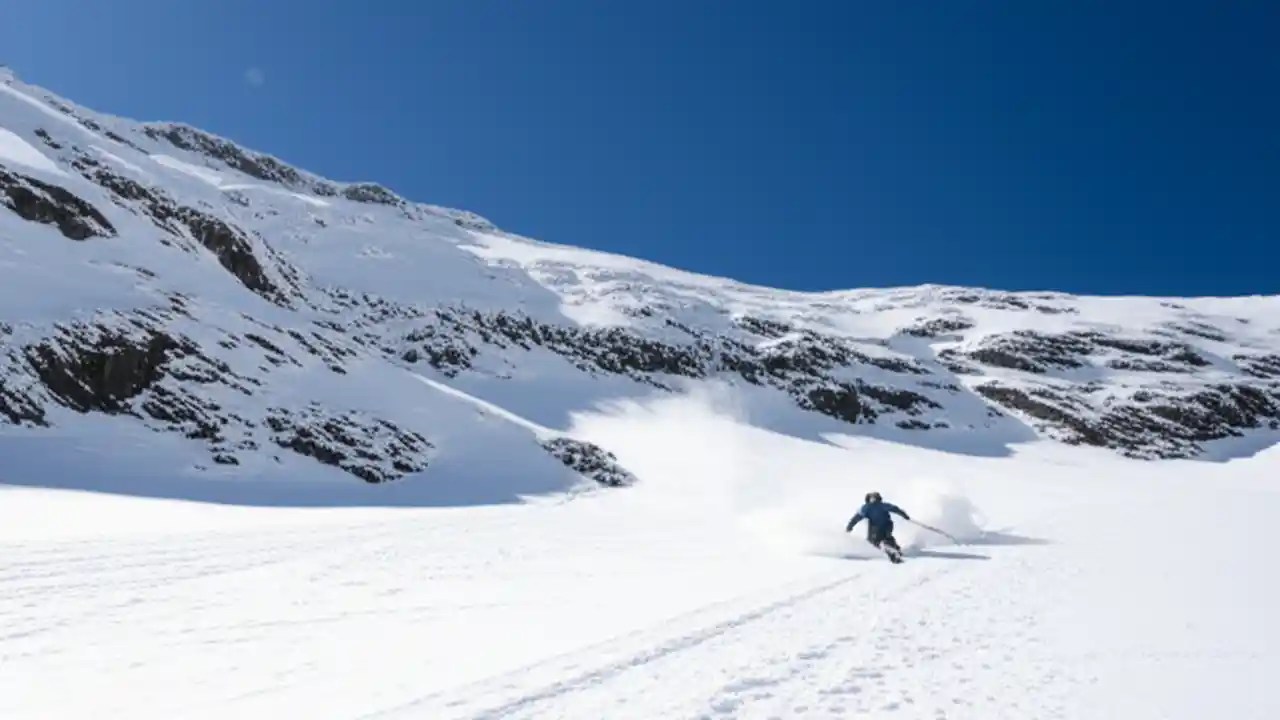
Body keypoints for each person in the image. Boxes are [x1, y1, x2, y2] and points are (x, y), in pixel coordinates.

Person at [845, 491, 910, 562]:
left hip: (878, 528)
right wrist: (904, 515)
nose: (873, 501)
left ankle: (891, 552)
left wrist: (850, 526)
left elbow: (857, 517)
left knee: (876, 542)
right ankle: (894, 548)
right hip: (887, 526)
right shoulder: (880, 506)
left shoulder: (867, 508)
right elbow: (895, 509)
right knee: (887, 538)